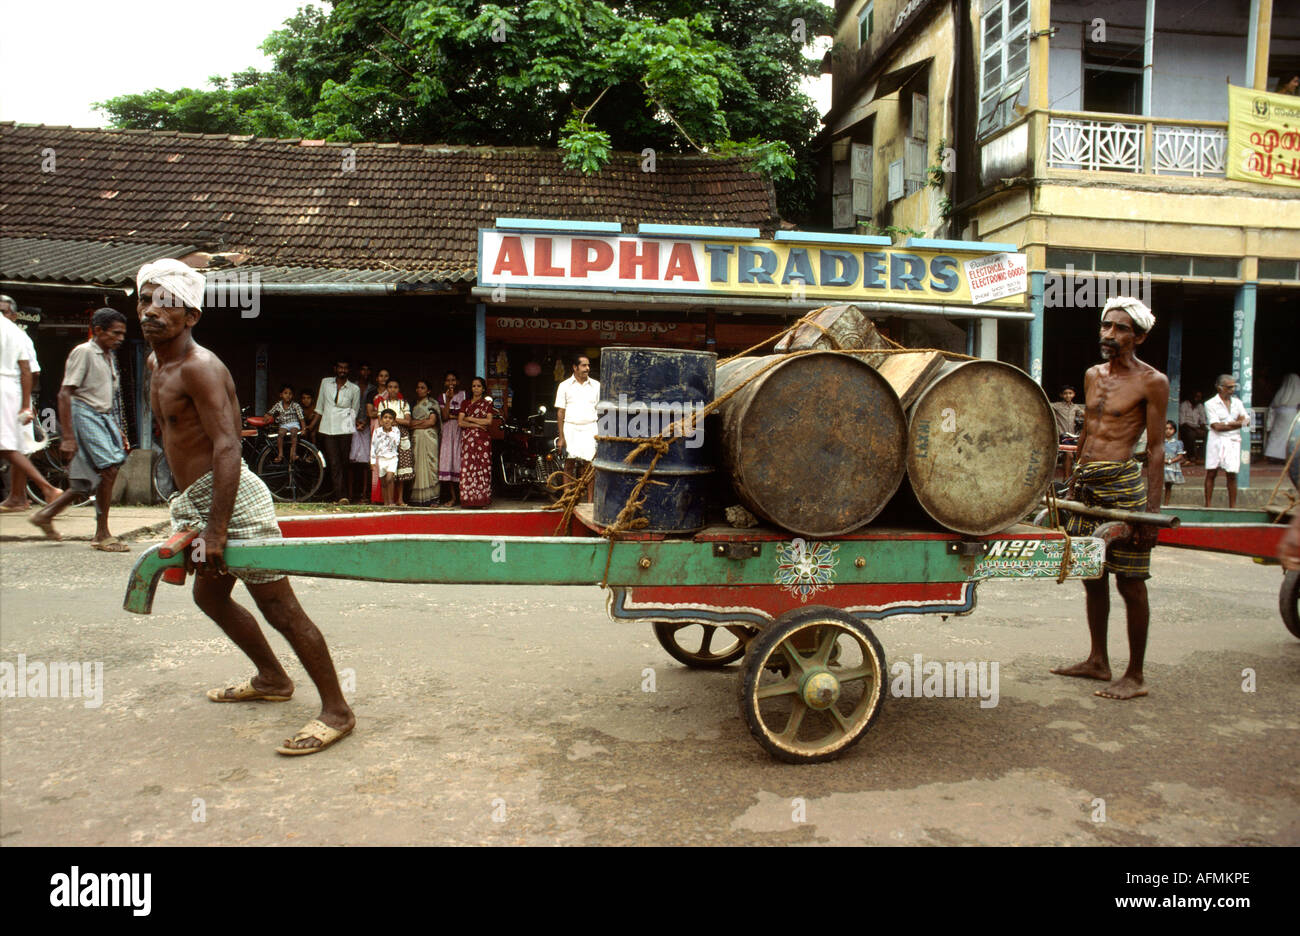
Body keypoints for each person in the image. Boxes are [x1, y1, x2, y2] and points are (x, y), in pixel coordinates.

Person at [138, 258, 354, 755]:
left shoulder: (200, 367)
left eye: (163, 302)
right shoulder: (156, 364)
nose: (150, 311)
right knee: (210, 598)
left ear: (190, 315)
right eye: (144, 300)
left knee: (280, 608)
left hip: (232, 501)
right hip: (198, 502)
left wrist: (216, 529)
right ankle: (273, 679)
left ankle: (339, 711)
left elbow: (228, 446)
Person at [1052, 296, 1168, 701]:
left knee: (1131, 583)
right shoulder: (1092, 375)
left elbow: (1154, 450)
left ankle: (1135, 675)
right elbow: (1086, 432)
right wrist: (1070, 479)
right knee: (1092, 574)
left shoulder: (1152, 381)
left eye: (1119, 328)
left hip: (1122, 487)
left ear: (1139, 337)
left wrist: (1151, 516)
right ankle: (1098, 661)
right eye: (1106, 326)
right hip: (1087, 484)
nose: (1109, 334)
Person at [29, 308, 131, 549]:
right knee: (108, 469)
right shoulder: (84, 352)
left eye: (122, 334)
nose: (120, 338)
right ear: (98, 331)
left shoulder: (108, 356)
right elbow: (65, 393)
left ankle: (45, 515)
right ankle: (102, 534)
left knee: (84, 482)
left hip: (101, 416)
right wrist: (68, 437)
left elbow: (107, 398)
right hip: (84, 414)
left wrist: (117, 429)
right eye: (115, 333)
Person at [0, 296, 62, 512]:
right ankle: (17, 497)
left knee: (8, 447)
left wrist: (26, 403)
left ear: (14, 315)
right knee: (18, 445)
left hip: (10, 392)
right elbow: (28, 370)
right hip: (16, 392)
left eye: (6, 311)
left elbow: (31, 371)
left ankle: (47, 488)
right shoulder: (17, 332)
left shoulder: (16, 334)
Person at [555, 354, 600, 501]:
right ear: (575, 367)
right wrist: (561, 437)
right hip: (571, 427)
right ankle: (567, 498)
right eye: (584, 365)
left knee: (590, 466)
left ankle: (590, 501)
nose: (587, 368)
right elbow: (560, 412)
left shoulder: (597, 386)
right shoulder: (564, 386)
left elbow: (602, 410)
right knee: (569, 463)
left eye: (588, 365)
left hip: (590, 427)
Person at [316, 361, 360, 504]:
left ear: (348, 370)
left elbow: (354, 410)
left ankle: (346, 494)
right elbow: (319, 407)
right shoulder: (325, 383)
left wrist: (349, 427)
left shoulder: (354, 388)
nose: (342, 370)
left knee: (344, 462)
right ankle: (340, 496)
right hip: (328, 428)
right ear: (335, 369)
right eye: (340, 367)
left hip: (345, 429)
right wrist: (311, 426)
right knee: (334, 462)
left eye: (345, 368)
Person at [1204, 373, 1250, 508]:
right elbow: (1216, 427)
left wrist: (1227, 424)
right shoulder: (1210, 403)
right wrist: (1237, 423)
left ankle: (1233, 507)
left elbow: (1247, 420)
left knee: (1231, 474)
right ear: (1220, 388)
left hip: (1233, 440)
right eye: (1229, 387)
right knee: (1211, 472)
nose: (1232, 390)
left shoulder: (1238, 402)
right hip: (1216, 440)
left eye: (1234, 387)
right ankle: (1208, 505)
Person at [370, 377, 412, 506]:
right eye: (390, 387)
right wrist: (396, 420)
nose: (393, 390)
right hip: (386, 436)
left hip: (401, 436)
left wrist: (394, 421)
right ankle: (387, 500)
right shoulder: (383, 404)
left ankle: (399, 499)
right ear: (387, 389)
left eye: (395, 387)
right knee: (387, 471)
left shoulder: (404, 403)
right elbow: (382, 421)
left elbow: (408, 421)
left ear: (399, 389)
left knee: (401, 469)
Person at [458, 376, 494, 508]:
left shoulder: (487, 404)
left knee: (482, 467)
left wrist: (470, 419)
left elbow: (489, 421)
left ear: (483, 388)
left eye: (479, 386)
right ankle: (468, 500)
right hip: (468, 440)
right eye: (474, 386)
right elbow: (461, 422)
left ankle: (483, 500)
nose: (476, 388)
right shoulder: (465, 403)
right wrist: (478, 425)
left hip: (482, 441)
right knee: (468, 468)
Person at [350, 365, 380, 501]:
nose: (365, 372)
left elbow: (372, 409)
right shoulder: (351, 386)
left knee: (367, 461)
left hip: (368, 426)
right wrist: (355, 422)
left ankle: (365, 493)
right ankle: (351, 494)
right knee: (351, 460)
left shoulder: (373, 389)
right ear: (358, 371)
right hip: (351, 425)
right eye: (362, 369)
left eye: (368, 369)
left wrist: (365, 423)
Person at [409, 378, 441, 506]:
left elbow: (432, 422)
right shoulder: (413, 404)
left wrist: (416, 424)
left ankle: (433, 498)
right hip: (416, 439)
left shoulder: (432, 404)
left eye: (422, 388)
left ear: (429, 391)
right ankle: (417, 499)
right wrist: (423, 423)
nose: (419, 390)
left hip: (429, 439)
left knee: (432, 466)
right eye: (418, 387)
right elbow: (409, 424)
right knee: (416, 466)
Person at [438, 371, 465, 507]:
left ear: (458, 382)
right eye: (448, 380)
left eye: (453, 380)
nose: (451, 383)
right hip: (448, 432)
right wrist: (448, 400)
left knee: (460, 464)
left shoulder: (464, 395)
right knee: (448, 463)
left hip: (461, 431)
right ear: (444, 383)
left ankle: (464, 497)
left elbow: (464, 416)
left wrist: (453, 417)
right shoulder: (442, 397)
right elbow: (444, 416)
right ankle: (453, 498)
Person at [264, 384, 305, 463]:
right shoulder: (278, 405)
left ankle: (293, 453)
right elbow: (270, 413)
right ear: (281, 395)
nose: (288, 395)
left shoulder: (295, 405)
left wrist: (303, 429)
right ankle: (280, 454)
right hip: (284, 424)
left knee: (294, 433)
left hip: (294, 423)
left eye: (290, 394)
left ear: (292, 396)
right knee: (280, 434)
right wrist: (267, 416)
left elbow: (301, 418)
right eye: (285, 393)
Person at [1264, 373, 1300, 461]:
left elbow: (1274, 405)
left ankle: (1272, 455)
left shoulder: (1282, 391)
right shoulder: (1298, 391)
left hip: (1280, 413)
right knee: (1289, 436)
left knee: (1276, 434)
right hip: (1293, 413)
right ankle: (1286, 456)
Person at [370, 408, 400, 506]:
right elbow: (373, 446)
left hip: (392, 458)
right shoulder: (377, 431)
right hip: (381, 458)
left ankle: (391, 501)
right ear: (381, 420)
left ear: (394, 421)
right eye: (385, 417)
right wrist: (372, 461)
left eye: (390, 418)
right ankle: (386, 502)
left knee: (389, 478)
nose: (387, 420)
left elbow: (396, 443)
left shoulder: (396, 431)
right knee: (383, 482)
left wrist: (389, 432)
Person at [1179, 390, 1207, 464]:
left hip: (1196, 428)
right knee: (1191, 434)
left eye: (1199, 397)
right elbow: (1182, 422)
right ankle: (1192, 456)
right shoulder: (1184, 405)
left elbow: (1203, 421)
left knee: (1209, 434)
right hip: (1186, 427)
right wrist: (1196, 429)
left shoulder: (1200, 406)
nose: (1197, 399)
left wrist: (1202, 429)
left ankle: (1202, 456)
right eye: (1196, 396)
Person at [1162, 420, 1185, 503]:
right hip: (1161, 466)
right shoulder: (1160, 442)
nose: (1168, 430)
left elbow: (1180, 455)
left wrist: (1169, 461)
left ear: (1174, 430)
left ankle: (1166, 503)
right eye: (1166, 428)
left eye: (1170, 428)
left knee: (1168, 485)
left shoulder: (1177, 443)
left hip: (1171, 466)